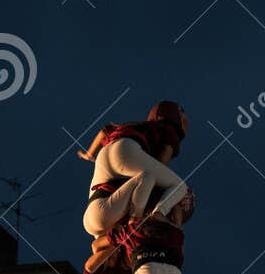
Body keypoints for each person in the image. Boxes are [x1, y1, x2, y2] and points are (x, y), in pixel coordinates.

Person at [80, 100, 191, 242]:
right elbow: (161, 163)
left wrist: (89, 153)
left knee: (115, 193)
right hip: (127, 150)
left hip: (105, 153)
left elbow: (105, 130)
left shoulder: (136, 125)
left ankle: (113, 238)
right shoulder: (169, 130)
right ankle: (156, 214)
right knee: (179, 186)